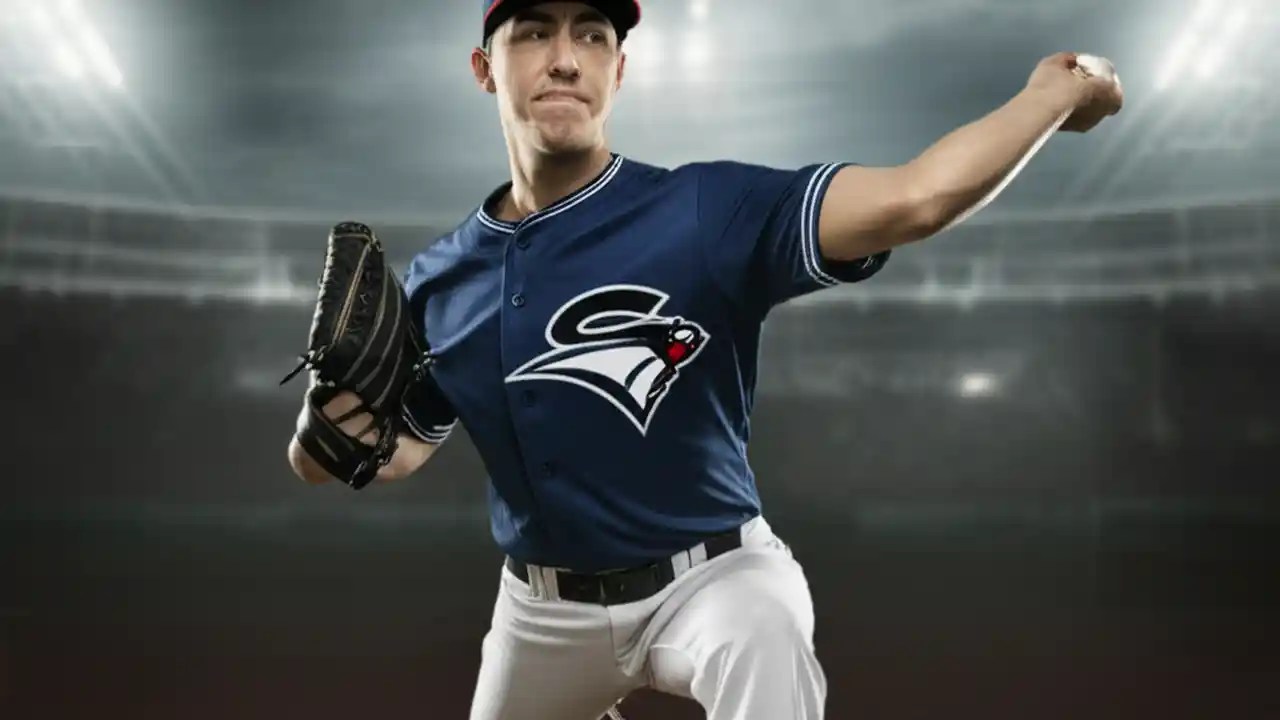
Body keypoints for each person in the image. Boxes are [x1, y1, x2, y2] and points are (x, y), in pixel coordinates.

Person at [286, 1, 1124, 717]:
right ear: (484, 67)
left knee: (765, 636)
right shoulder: (439, 280)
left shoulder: (703, 210)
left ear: (621, 71)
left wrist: (1053, 94)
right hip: (543, 618)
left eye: (593, 36)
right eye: (535, 33)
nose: (566, 59)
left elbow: (917, 196)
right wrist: (321, 430)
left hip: (713, 581)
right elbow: (394, 451)